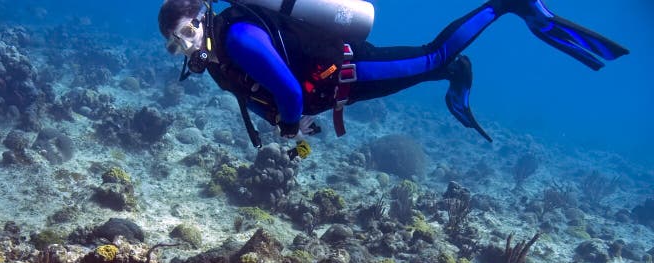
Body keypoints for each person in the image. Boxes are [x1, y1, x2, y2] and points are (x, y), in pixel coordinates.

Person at [157, 0, 628, 146]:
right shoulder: (216, 61)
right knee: (430, 68)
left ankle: (505, 5)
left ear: (201, 19)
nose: (182, 48)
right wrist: (292, 122)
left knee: (429, 53)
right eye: (173, 43)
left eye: (184, 35)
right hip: (342, 89)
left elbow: (288, 94)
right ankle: (456, 74)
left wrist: (288, 127)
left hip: (349, 70)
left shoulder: (237, 38)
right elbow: (269, 96)